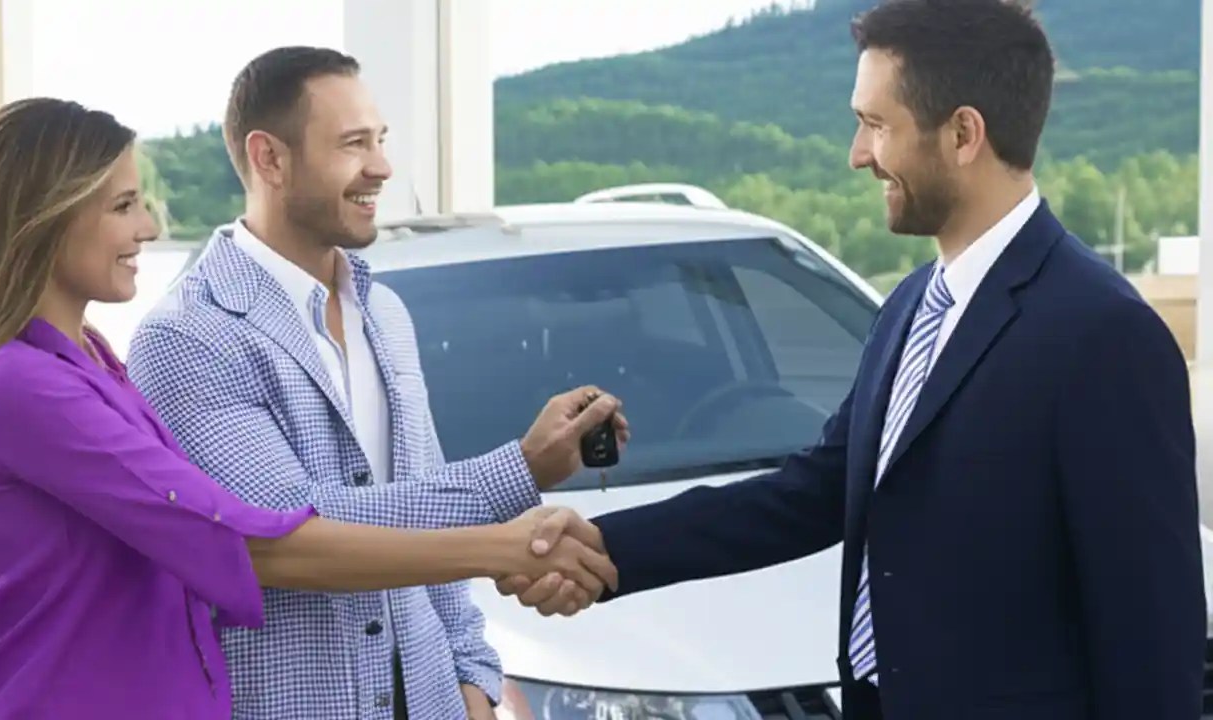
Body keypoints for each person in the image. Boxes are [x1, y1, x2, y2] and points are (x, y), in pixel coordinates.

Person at [500, 1, 1207, 718]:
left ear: (963, 133)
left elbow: (1152, 634)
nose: (858, 154)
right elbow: (814, 492)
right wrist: (605, 547)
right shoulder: (908, 308)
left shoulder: (1104, 335)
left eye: (876, 124)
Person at [0, 96, 621, 720]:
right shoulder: (17, 385)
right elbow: (246, 539)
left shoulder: (88, 362)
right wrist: (505, 545)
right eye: (122, 206)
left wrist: (468, 656)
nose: (148, 225)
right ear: (43, 217)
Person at [124, 46, 623, 720]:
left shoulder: (384, 313)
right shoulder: (189, 336)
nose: (382, 167)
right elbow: (291, 536)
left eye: (381, 140)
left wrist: (472, 681)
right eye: (354, 144)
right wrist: (521, 469)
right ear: (270, 158)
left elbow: (426, 497)